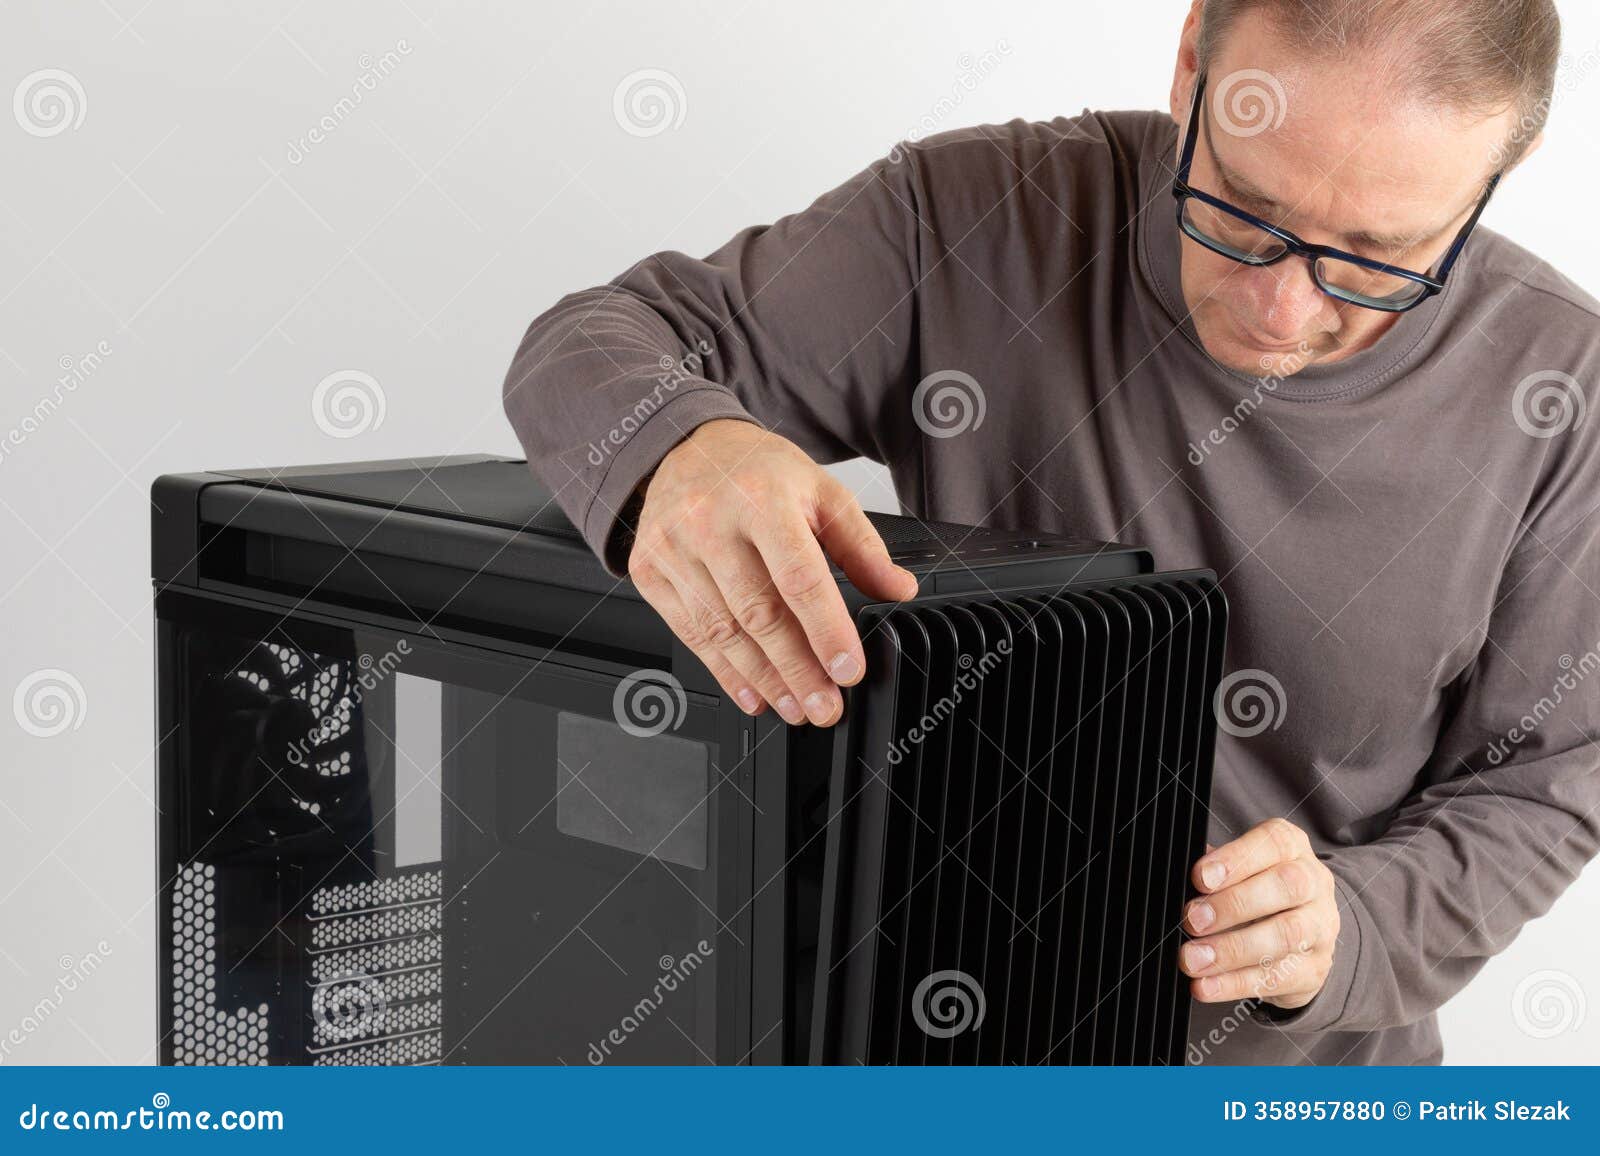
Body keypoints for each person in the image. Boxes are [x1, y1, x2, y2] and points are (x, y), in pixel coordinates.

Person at [502, 0, 1599, 1064]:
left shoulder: (1567, 397)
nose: (1279, 312)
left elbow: (1541, 785)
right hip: (929, 1052)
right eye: (1242, 209)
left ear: (1502, 170)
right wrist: (684, 445)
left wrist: (1344, 926)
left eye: (1373, 256)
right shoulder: (979, 212)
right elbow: (599, 341)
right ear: (1190, 64)